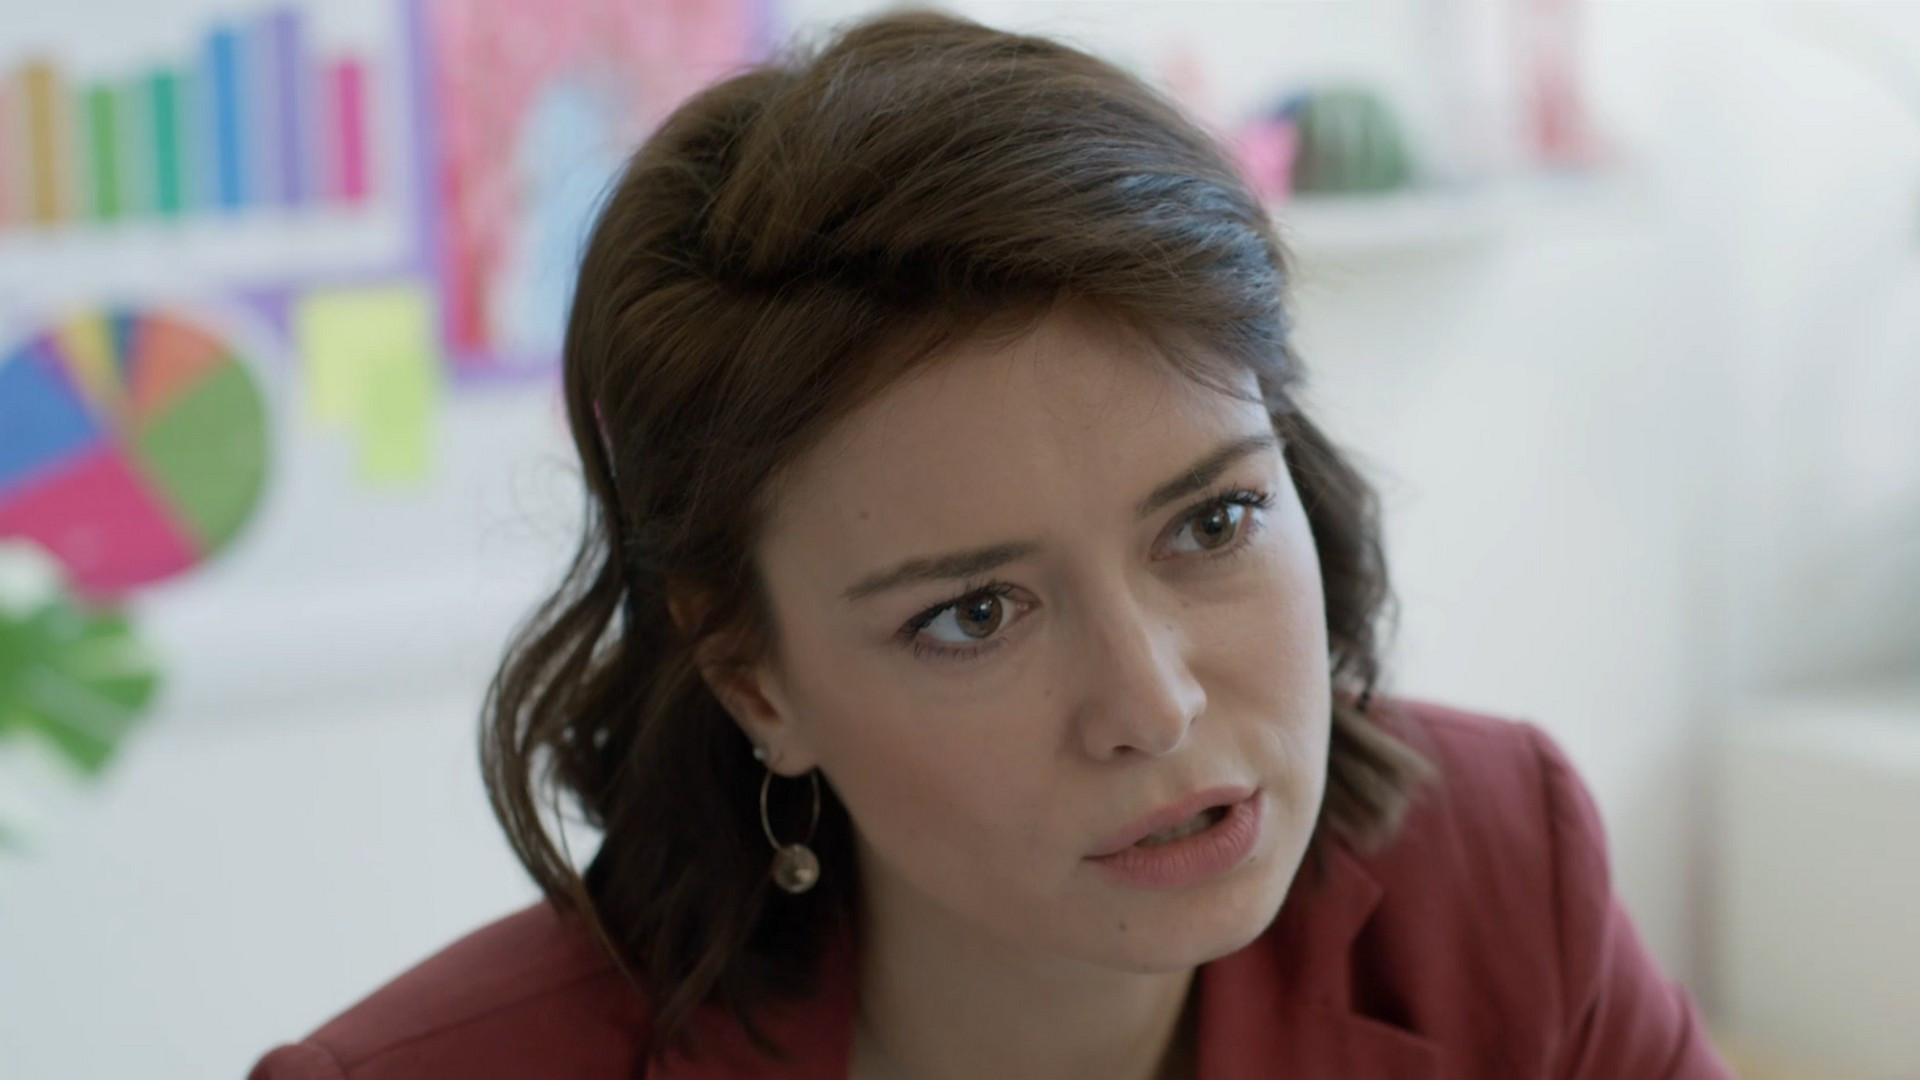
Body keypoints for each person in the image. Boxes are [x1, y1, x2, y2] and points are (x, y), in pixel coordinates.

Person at [249, 11, 1735, 1079]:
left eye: (1212, 521)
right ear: (755, 680)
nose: (1152, 704)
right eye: (972, 614)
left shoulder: (1501, 877)